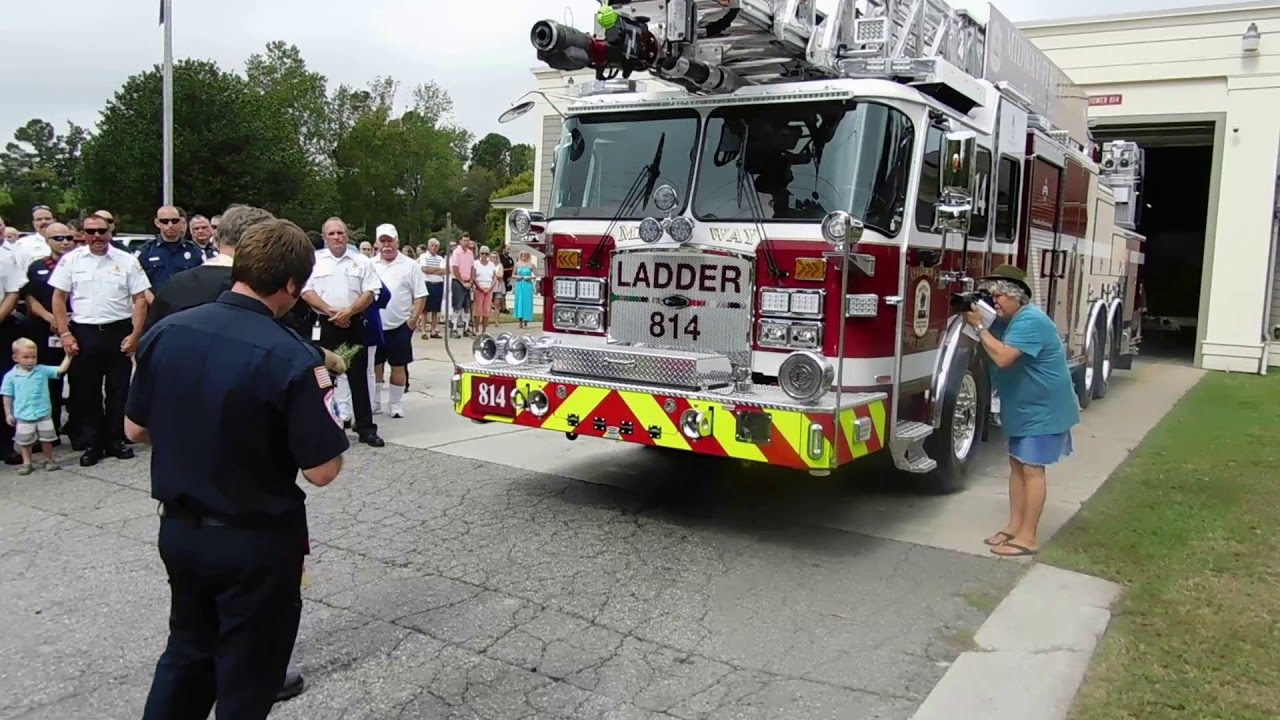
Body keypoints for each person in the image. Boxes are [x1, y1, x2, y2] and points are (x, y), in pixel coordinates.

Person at [129, 219, 349, 720]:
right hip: (254, 541)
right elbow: (322, 469)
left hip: (181, 529)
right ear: (291, 285)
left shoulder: (167, 331)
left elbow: (134, 429)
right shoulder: (293, 356)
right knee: (248, 676)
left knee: (186, 656)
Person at [964, 264, 1080, 558]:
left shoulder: (1031, 321)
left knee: (1031, 468)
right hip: (1022, 406)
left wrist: (979, 326)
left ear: (1018, 297)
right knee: (1017, 465)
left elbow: (1003, 358)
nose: (996, 301)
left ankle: (1028, 537)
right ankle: (1015, 526)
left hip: (1044, 408)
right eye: (993, 295)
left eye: (1001, 295)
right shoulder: (1009, 321)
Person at [49, 214, 150, 467]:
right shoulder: (70, 261)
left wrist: (135, 334)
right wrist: (65, 333)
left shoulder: (126, 260)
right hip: (84, 332)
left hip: (118, 331)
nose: (97, 236)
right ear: (82, 233)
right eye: (91, 231)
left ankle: (116, 440)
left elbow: (140, 299)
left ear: (110, 231)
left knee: (119, 390)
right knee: (86, 391)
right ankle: (94, 443)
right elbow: (59, 298)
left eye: (101, 231)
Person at [300, 217, 385, 447]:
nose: (337, 237)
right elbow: (305, 291)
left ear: (347, 235)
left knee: (358, 376)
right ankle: (326, 426)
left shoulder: (362, 261)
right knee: (324, 378)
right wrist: (331, 312)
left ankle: (366, 428)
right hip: (325, 324)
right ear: (325, 237)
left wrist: (349, 312)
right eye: (332, 234)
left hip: (354, 323)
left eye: (341, 233)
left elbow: (370, 292)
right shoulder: (313, 261)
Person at [22, 222, 77, 445]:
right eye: (58, 238)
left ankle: (77, 428)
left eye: (68, 238)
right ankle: (49, 432)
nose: (64, 243)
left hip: (77, 328)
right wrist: (52, 318)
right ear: (47, 240)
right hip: (46, 331)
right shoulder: (37, 267)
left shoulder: (80, 263)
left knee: (80, 382)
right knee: (49, 382)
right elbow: (29, 298)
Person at [370, 223, 427, 418]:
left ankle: (395, 403)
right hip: (376, 324)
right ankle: (375, 402)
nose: (387, 245)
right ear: (377, 243)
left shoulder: (410, 265)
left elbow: (420, 295)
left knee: (398, 365)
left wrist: (413, 318)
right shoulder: (370, 264)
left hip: (400, 324)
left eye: (390, 241)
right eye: (383, 241)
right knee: (375, 366)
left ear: (397, 242)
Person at [2, 338, 72, 474]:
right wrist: (8, 413)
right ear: (15, 357)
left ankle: (49, 459)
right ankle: (26, 462)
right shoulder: (10, 376)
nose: (30, 360)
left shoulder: (42, 370)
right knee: (25, 441)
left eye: (33, 357)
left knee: (47, 438)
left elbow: (60, 370)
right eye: (25, 357)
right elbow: (7, 396)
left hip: (43, 412)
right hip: (23, 414)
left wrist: (68, 356)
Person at [134, 205, 204, 292]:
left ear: (181, 222)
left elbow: (203, 283)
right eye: (165, 221)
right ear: (157, 223)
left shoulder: (196, 252)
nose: (170, 225)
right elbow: (138, 285)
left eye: (175, 221)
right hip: (154, 303)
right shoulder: (145, 252)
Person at [418, 238, 447, 339]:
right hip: (427, 283)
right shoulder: (423, 256)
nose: (434, 248)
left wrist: (432, 270)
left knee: (435, 309)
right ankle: (423, 330)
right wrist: (437, 269)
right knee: (425, 309)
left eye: (436, 246)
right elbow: (424, 269)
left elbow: (444, 271)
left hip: (438, 283)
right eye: (432, 245)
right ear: (428, 246)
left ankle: (434, 330)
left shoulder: (440, 258)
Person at [472, 246, 499, 335]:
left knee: (486, 310)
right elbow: (474, 277)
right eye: (482, 253)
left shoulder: (491, 264)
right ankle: (476, 329)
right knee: (478, 310)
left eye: (486, 254)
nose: (484, 255)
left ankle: (484, 330)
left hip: (489, 288)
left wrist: (490, 288)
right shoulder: (476, 263)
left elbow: (494, 277)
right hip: (479, 288)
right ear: (479, 254)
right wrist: (480, 287)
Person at [513, 251, 536, 329]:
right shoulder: (517, 264)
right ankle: (520, 321)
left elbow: (536, 275)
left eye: (525, 255)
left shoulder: (531, 265)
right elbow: (513, 275)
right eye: (522, 255)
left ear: (528, 256)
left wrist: (529, 277)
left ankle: (526, 321)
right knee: (519, 301)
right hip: (519, 284)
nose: (524, 256)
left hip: (527, 284)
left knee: (527, 302)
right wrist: (517, 277)